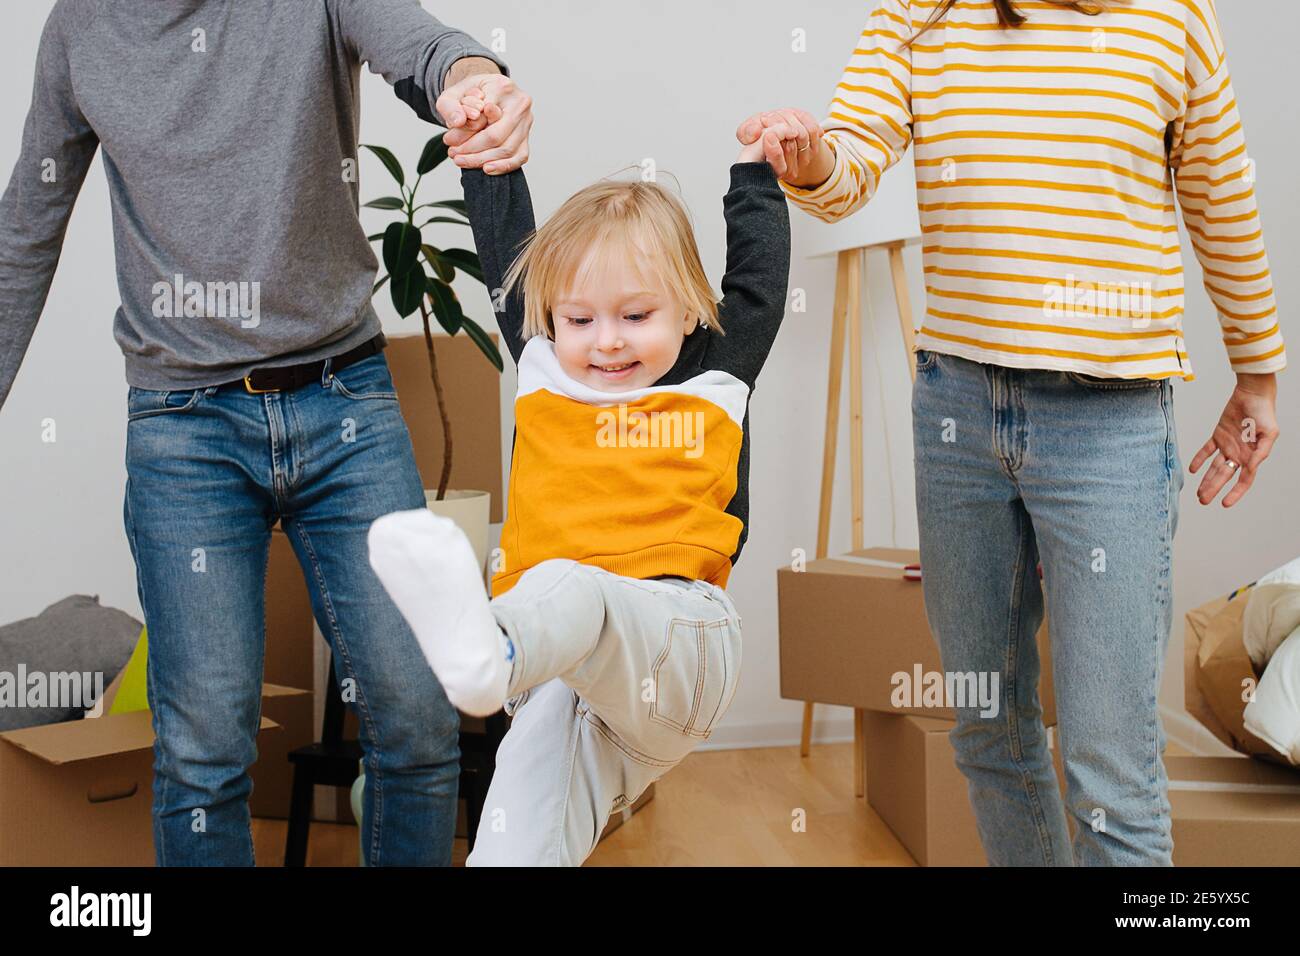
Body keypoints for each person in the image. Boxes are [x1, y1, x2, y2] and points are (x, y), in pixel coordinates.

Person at [740, 0, 1283, 865]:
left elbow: (1223, 200)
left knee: (1111, 768)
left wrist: (1257, 373)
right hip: (958, 415)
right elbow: (853, 160)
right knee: (988, 730)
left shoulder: (1174, 16)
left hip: (1111, 426)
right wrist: (808, 155)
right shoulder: (923, 13)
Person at [0, 0, 532, 866]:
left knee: (417, 714)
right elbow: (27, 225)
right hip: (183, 429)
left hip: (343, 398)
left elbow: (427, 49)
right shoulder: (79, 30)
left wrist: (477, 84)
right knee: (203, 749)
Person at [367, 94, 799, 865]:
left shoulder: (716, 371)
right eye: (581, 320)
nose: (606, 343)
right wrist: (481, 144)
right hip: (564, 681)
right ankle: (494, 654)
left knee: (575, 584)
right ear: (551, 317)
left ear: (689, 310)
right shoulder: (541, 367)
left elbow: (760, 280)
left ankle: (487, 649)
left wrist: (756, 174)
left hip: (681, 640)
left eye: (636, 316)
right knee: (513, 839)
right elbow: (506, 246)